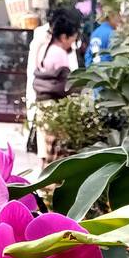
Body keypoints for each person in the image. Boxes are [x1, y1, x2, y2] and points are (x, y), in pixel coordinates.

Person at [29, 9, 81, 162]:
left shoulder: (44, 48)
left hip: (41, 106)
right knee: (54, 151)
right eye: (72, 38)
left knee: (45, 150)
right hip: (54, 108)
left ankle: (44, 183)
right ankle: (51, 184)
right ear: (64, 37)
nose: (73, 42)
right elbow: (66, 85)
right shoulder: (60, 54)